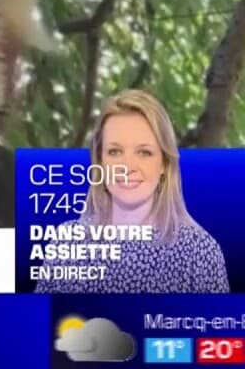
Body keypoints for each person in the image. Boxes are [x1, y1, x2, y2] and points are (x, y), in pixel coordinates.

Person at [34, 89, 229, 293]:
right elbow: (38, 323)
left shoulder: (200, 253)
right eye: (115, 152)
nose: (127, 166)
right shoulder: (68, 241)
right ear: (100, 161)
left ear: (164, 163)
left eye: (144, 152)